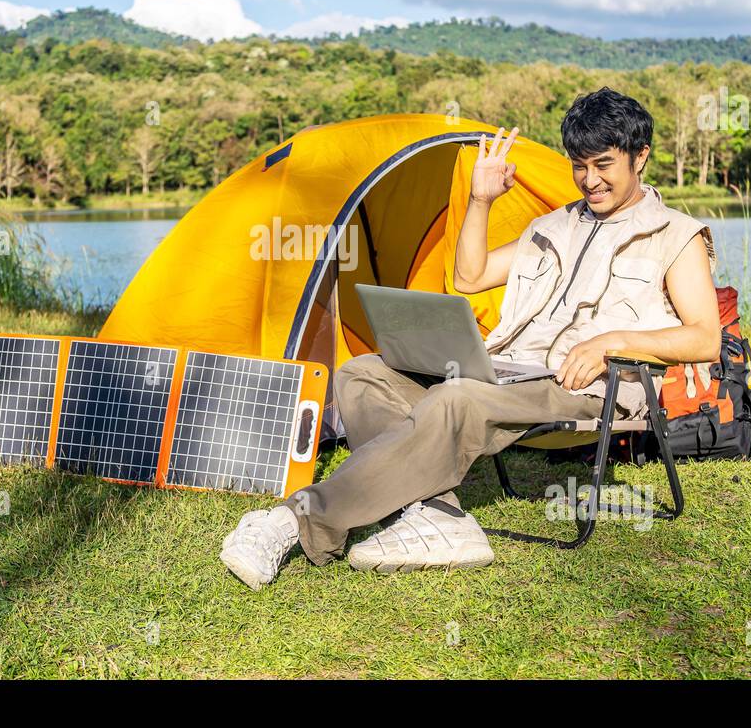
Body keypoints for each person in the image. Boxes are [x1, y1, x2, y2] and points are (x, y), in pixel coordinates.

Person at [219, 87, 720, 589]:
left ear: (641, 157)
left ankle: (296, 521)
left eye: (604, 164)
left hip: (588, 389)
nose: (590, 180)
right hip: (511, 372)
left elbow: (704, 340)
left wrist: (610, 341)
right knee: (362, 373)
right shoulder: (553, 227)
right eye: (579, 165)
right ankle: (436, 514)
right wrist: (480, 200)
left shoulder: (675, 236)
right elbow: (469, 277)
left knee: (455, 399)